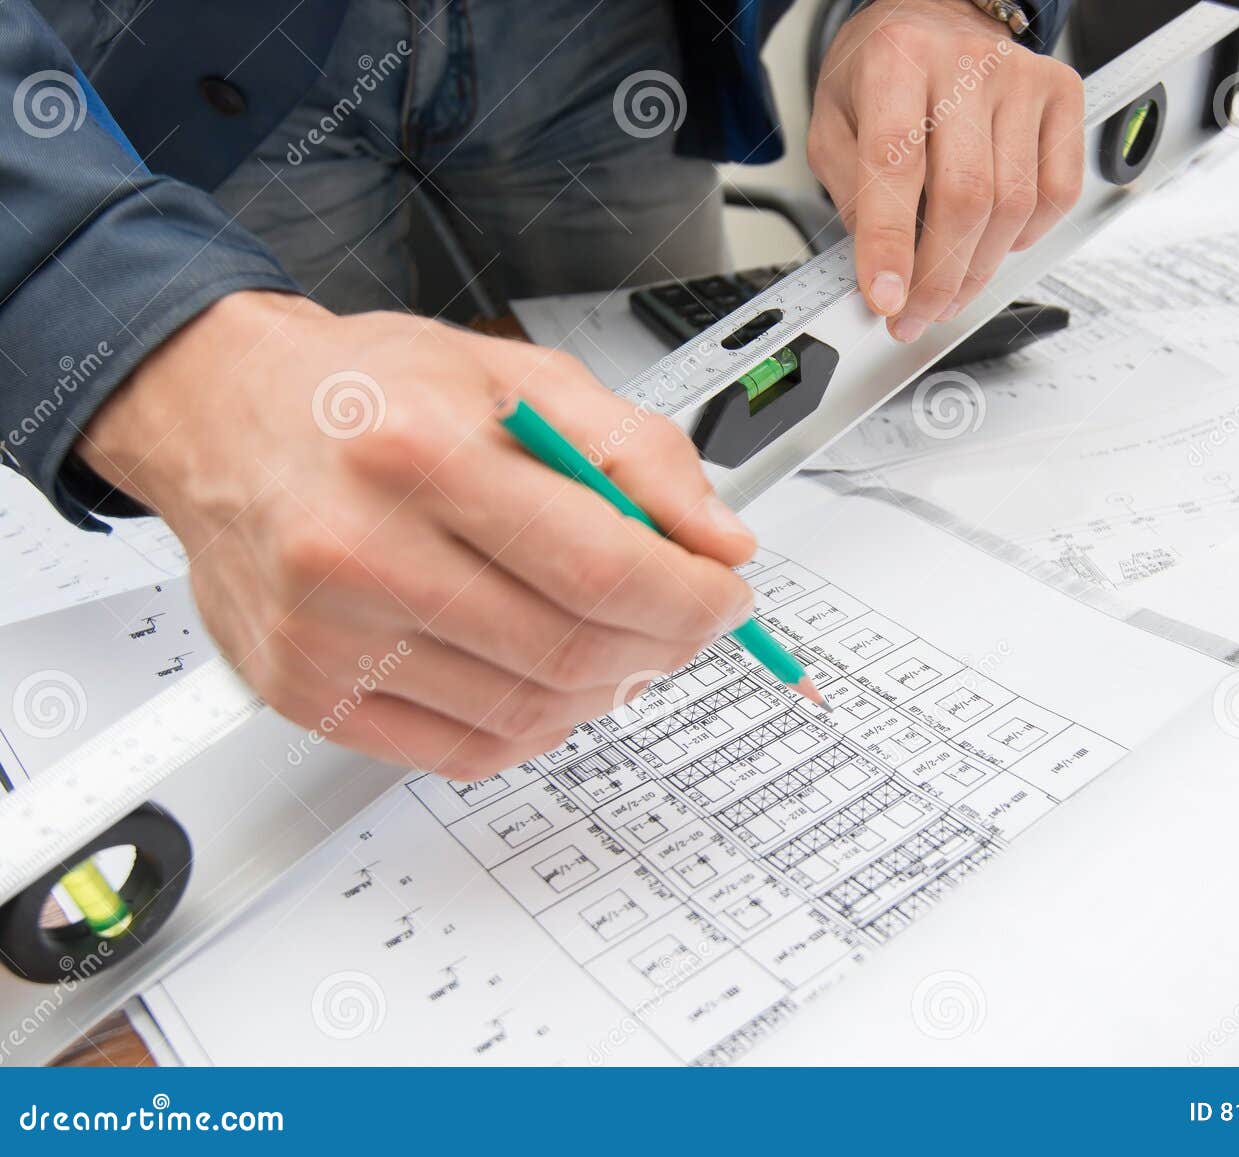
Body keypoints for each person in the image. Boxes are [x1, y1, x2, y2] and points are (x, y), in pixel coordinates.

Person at [1, 0, 1083, 778]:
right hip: (196, 46)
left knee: (637, 403)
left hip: (607, 36)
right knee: (340, 543)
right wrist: (149, 336)